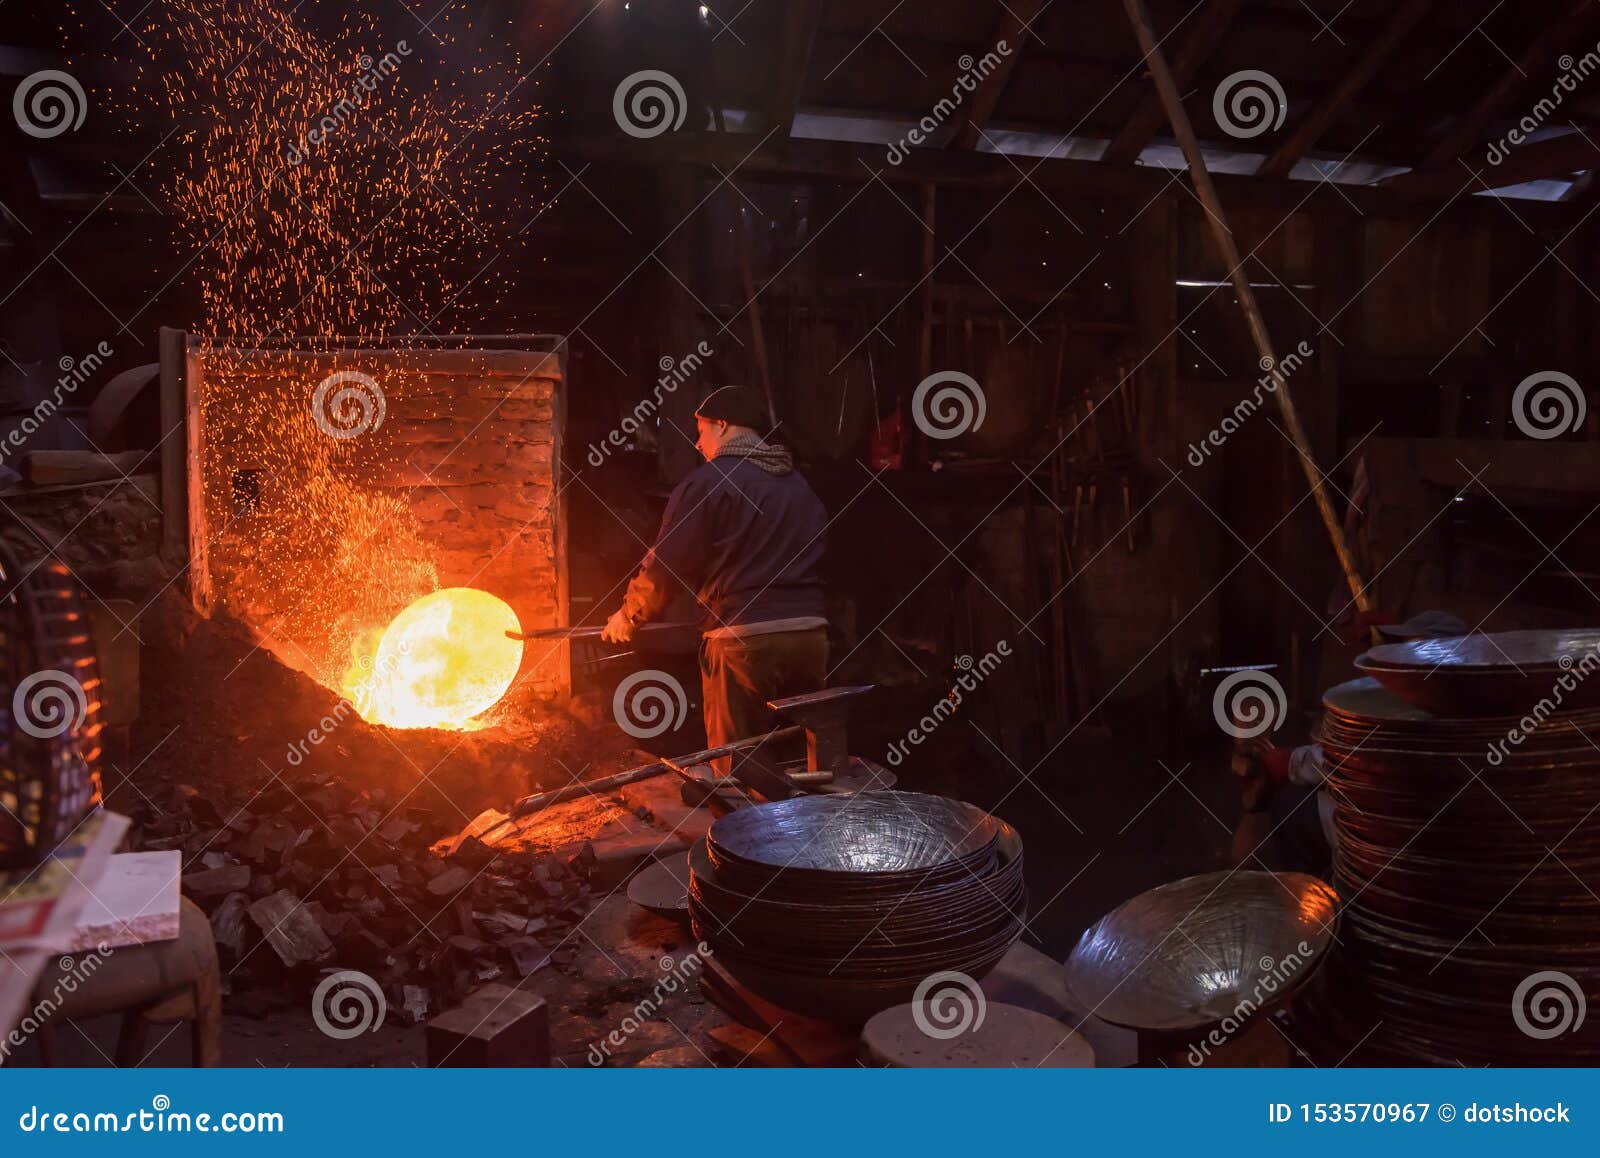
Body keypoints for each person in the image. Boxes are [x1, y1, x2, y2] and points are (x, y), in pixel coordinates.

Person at [601, 385, 828, 779]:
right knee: (801, 762)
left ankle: (741, 834)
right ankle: (802, 831)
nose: (698, 442)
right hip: (810, 637)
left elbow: (668, 564)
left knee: (738, 764)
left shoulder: (707, 483)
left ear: (722, 426)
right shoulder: (799, 487)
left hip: (742, 643)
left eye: (702, 431)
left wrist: (629, 615)